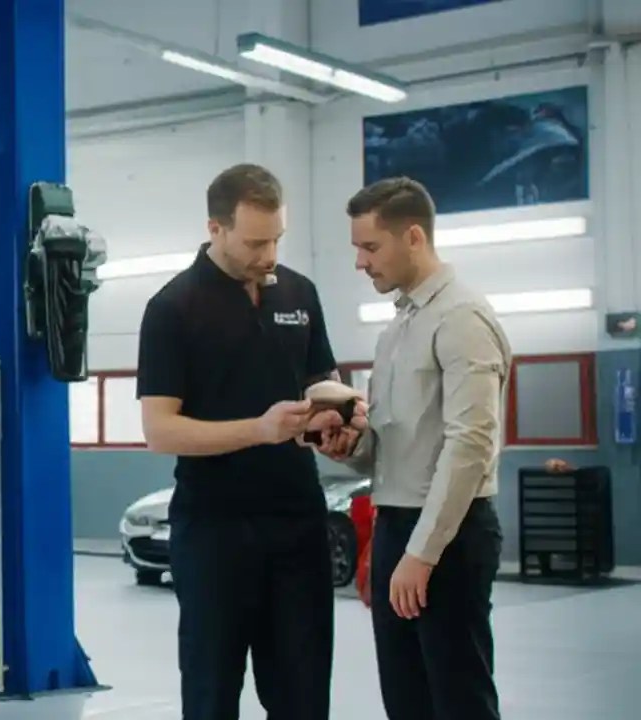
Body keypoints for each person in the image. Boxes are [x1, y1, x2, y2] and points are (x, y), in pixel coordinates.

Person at [136, 163, 360, 719]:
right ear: (216, 229)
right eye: (256, 242)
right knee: (213, 694)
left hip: (296, 520)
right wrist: (259, 430)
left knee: (303, 694)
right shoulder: (172, 309)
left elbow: (318, 381)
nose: (269, 255)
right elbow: (160, 430)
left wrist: (343, 415)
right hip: (215, 529)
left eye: (278, 238)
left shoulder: (300, 292)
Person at [319, 176, 510, 720]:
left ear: (415, 239)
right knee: (406, 699)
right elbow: (398, 440)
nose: (360, 262)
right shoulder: (400, 325)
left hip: (447, 534)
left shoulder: (462, 318)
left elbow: (470, 445)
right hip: (398, 523)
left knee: (458, 699)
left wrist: (422, 553)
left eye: (370, 247)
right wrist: (351, 448)